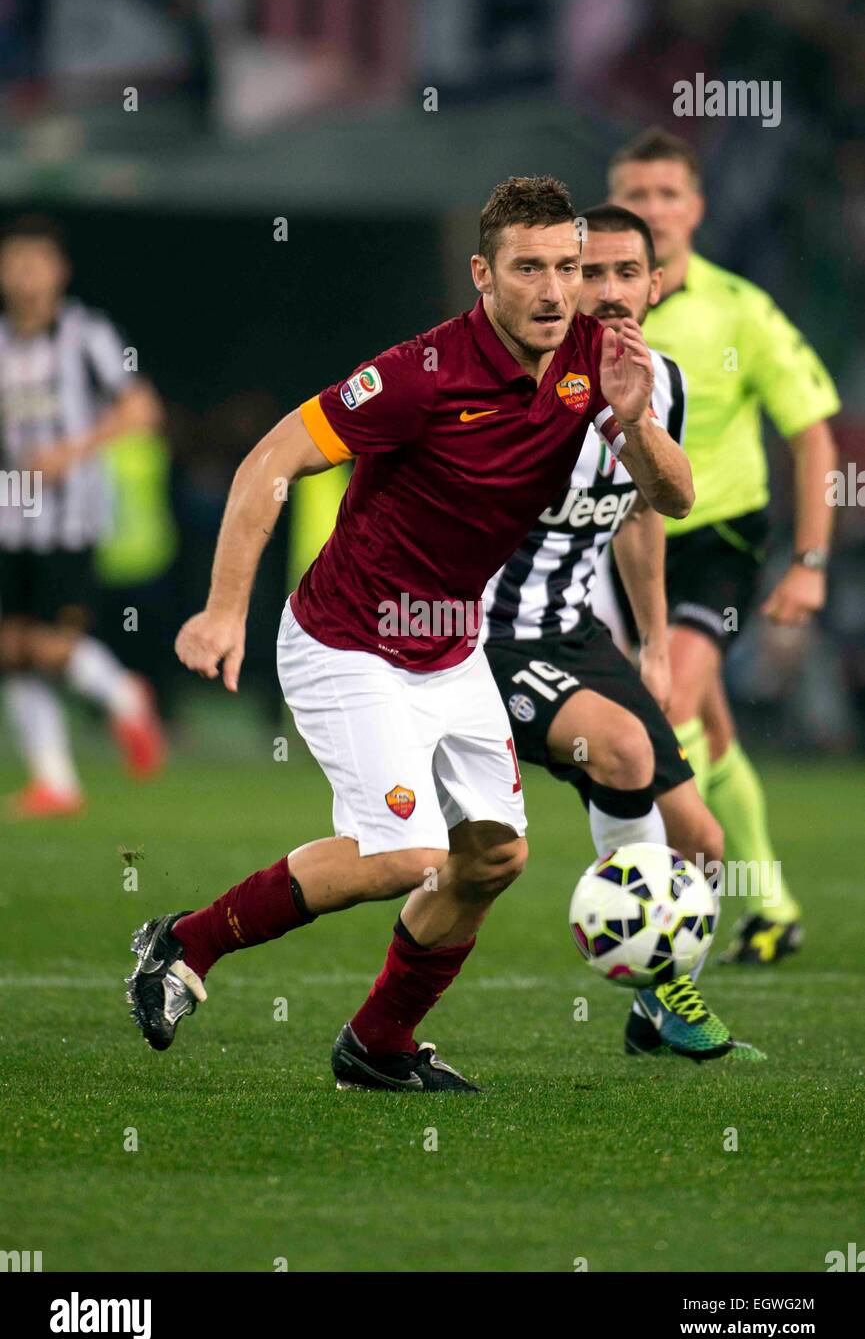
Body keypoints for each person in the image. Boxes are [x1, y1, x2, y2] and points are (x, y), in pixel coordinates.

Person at [126, 175, 693, 1091]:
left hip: (450, 646)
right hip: (346, 640)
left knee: (493, 857)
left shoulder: (597, 360)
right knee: (404, 857)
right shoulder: (418, 374)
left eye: (566, 267)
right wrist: (224, 608)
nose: (553, 290)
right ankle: (181, 944)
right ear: (483, 275)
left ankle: (377, 1047)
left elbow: (670, 496)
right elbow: (271, 458)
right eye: (528, 269)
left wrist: (635, 420)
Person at [484, 204, 761, 1061]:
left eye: (621, 274)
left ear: (656, 282)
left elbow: (647, 509)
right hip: (479, 637)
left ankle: (652, 1012)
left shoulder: (661, 382)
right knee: (616, 758)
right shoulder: (515, 376)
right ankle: (660, 991)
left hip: (575, 633)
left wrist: (648, 642)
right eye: (584, 271)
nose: (603, 292)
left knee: (704, 843)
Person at [605, 129, 840, 964]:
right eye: (635, 192)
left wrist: (808, 563)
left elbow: (813, 435)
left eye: (668, 193)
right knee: (707, 721)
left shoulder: (741, 307)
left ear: (696, 208)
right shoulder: (584, 312)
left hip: (717, 540)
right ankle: (770, 906)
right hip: (619, 539)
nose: (653, 208)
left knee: (666, 711)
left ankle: (670, 926)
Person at [0, 215, 166, 816]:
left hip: (68, 521)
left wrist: (70, 453)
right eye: (15, 262)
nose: (24, 275)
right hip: (9, 517)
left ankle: (125, 697)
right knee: (12, 647)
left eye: (35, 262)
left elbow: (141, 407)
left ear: (59, 271)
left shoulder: (85, 335)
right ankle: (55, 783)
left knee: (47, 645)